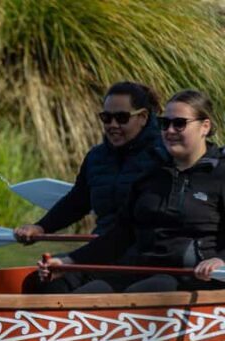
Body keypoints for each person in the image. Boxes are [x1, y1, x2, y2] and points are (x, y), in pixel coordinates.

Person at [39, 89, 225, 293]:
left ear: (204, 127)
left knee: (142, 292)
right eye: (164, 123)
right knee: (88, 293)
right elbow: (121, 234)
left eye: (179, 123)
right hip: (142, 270)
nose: (170, 130)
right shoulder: (150, 175)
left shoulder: (220, 174)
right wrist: (70, 261)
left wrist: (220, 259)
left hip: (195, 278)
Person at [14, 81, 166, 292]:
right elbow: (77, 201)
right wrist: (41, 227)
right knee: (39, 282)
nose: (113, 124)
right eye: (106, 118)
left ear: (143, 117)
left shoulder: (164, 156)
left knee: (79, 290)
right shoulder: (96, 157)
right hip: (100, 248)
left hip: (144, 254)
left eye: (121, 118)